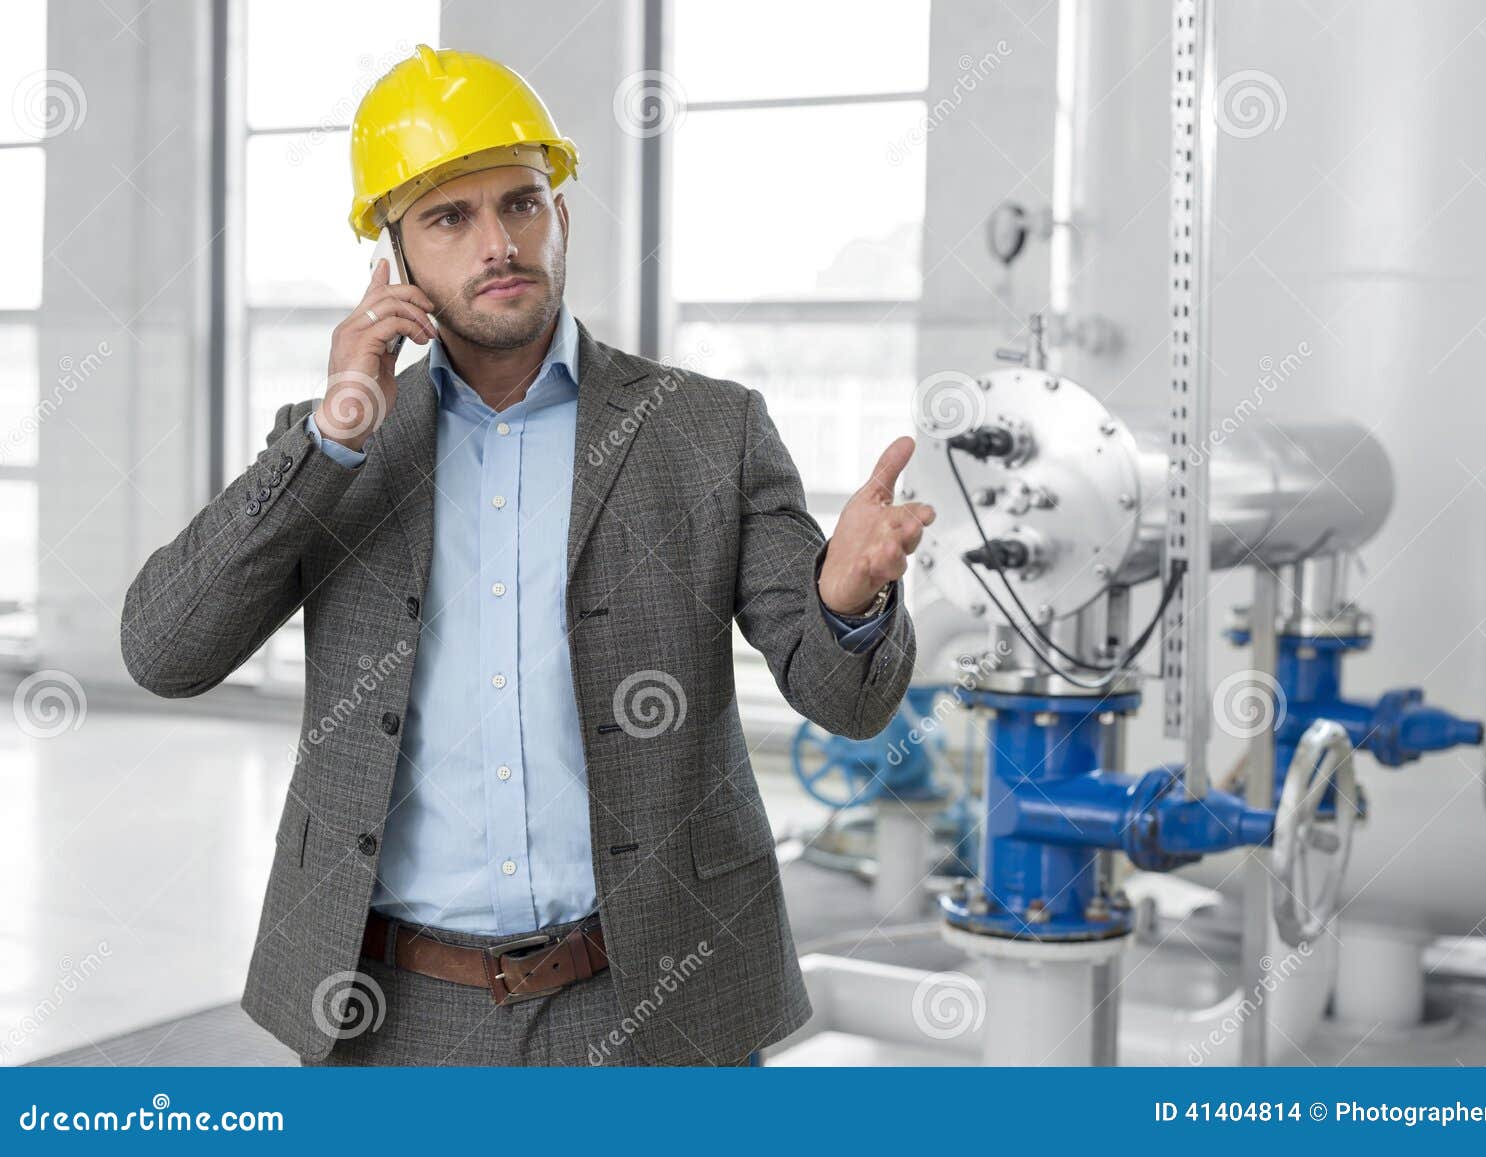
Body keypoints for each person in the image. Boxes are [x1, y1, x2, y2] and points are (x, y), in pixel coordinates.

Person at [119, 44, 931, 1066]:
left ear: (562, 214)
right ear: (396, 260)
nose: (498, 242)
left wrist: (848, 600)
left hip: (652, 993)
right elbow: (163, 650)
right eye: (450, 218)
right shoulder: (337, 445)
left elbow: (844, 700)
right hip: (391, 1010)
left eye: (522, 202)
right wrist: (331, 435)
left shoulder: (705, 430)